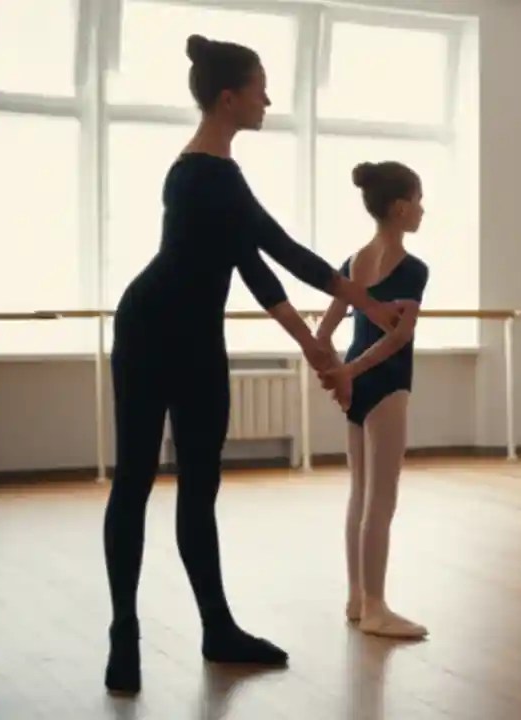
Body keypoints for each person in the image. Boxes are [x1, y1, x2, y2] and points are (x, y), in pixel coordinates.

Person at [102, 34, 400, 695]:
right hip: (151, 331)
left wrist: (310, 341)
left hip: (195, 339)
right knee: (135, 479)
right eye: (261, 86)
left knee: (200, 487)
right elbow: (283, 250)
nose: (270, 98)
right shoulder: (203, 173)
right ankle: (124, 633)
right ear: (229, 97)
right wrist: (369, 307)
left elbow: (250, 266)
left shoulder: (215, 178)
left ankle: (216, 628)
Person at [314, 161, 429, 640]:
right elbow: (399, 339)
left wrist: (340, 370)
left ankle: (358, 598)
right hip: (382, 385)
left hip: (355, 387)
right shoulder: (412, 268)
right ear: (401, 208)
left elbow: (325, 330)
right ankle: (377, 607)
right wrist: (352, 371)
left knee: (360, 493)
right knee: (381, 499)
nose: (423, 210)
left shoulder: (353, 262)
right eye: (419, 201)